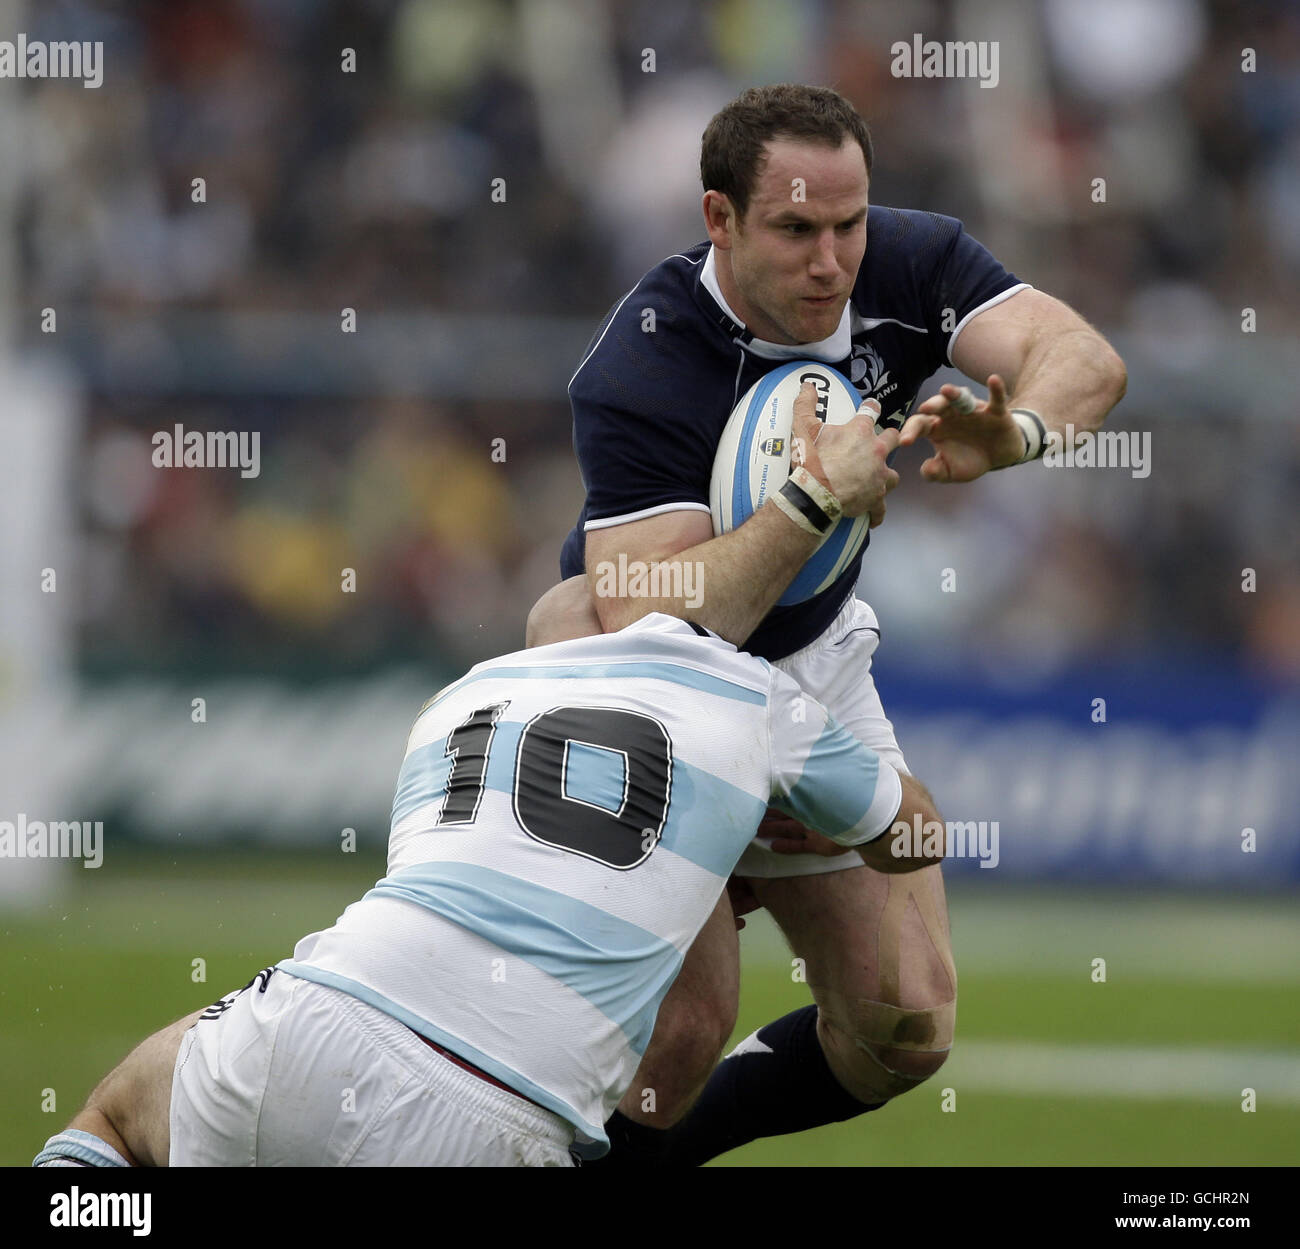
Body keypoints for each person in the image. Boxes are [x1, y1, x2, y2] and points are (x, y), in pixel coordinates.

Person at [535, 82, 1127, 1166]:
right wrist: (812, 499)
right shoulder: (643, 363)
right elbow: (644, 606)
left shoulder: (912, 262)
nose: (832, 261)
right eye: (796, 229)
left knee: (904, 1026)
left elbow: (1085, 358)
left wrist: (1025, 431)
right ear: (719, 218)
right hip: (648, 681)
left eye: (849, 225)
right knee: (680, 1033)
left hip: (808, 658)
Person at [33, 567, 925, 1168]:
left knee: (110, 1127)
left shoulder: (459, 697)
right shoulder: (753, 697)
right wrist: (773, 841)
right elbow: (913, 835)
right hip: (494, 1124)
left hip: (306, 1029)